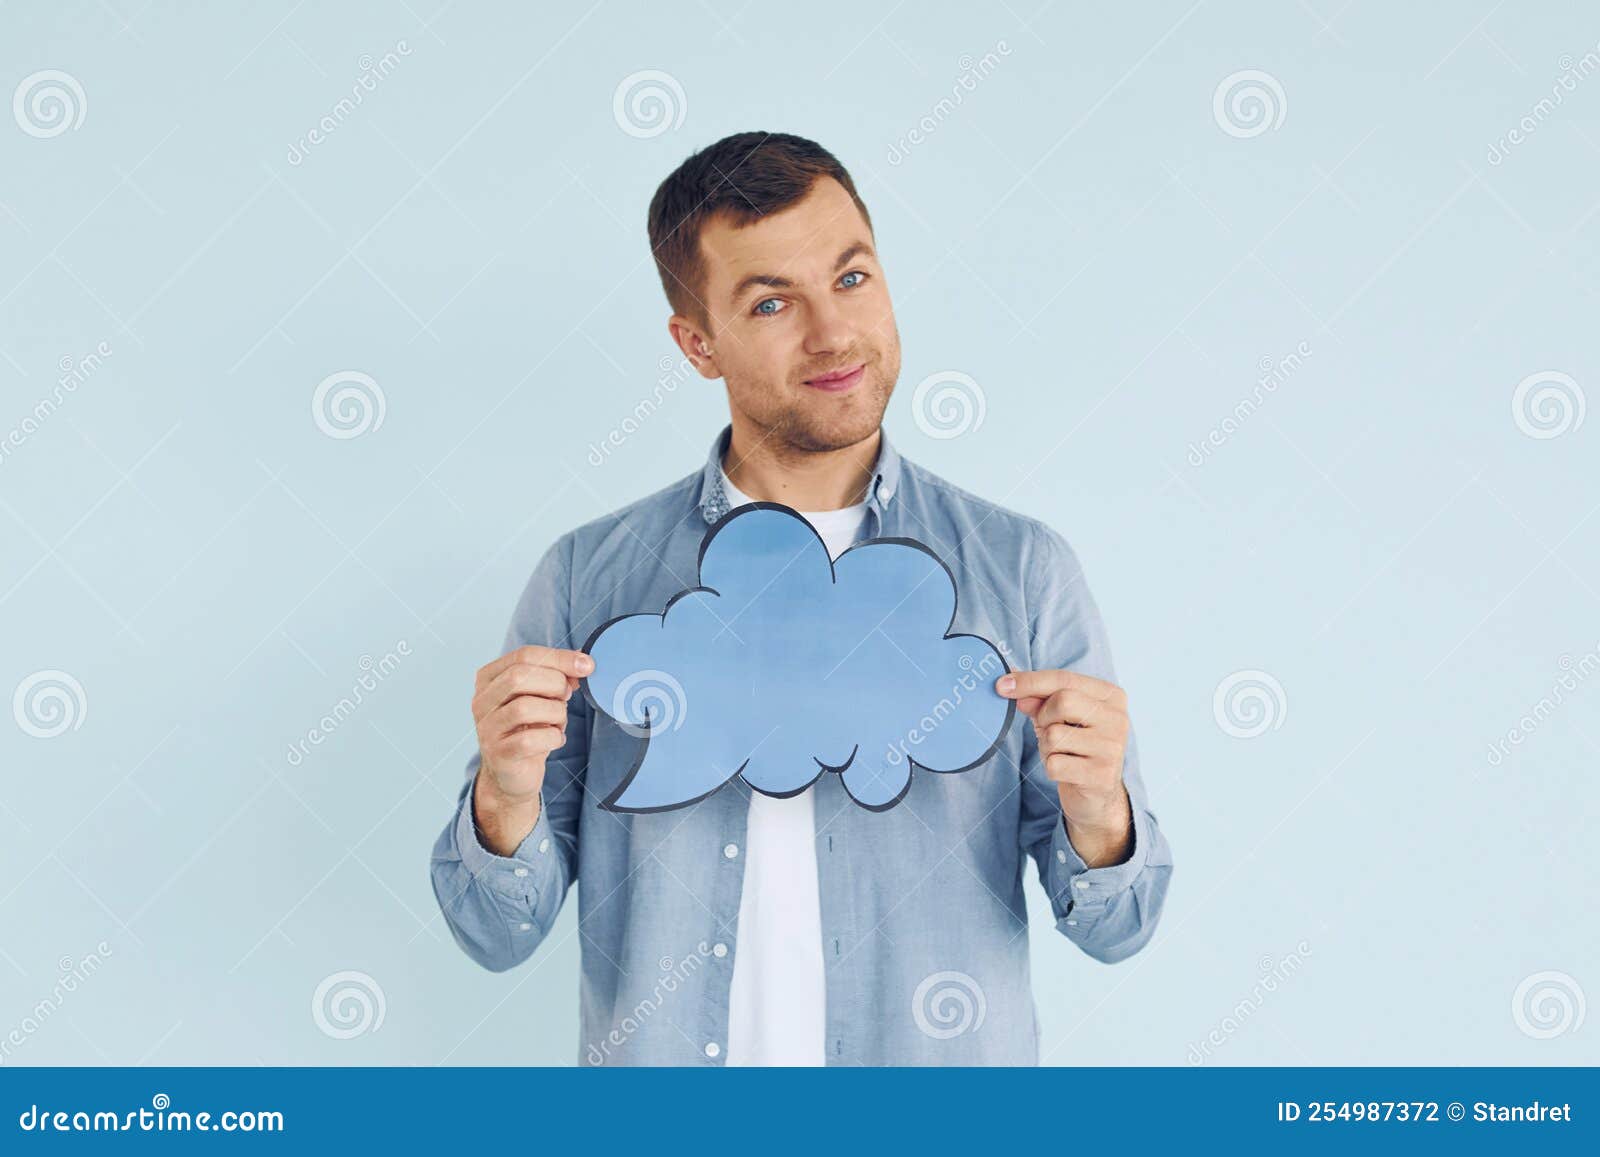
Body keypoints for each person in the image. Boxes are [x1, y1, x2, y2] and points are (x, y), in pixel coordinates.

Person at [429, 131, 1172, 1066]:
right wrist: (504, 792)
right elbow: (493, 932)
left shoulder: (1021, 571)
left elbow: (1120, 927)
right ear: (698, 344)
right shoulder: (590, 578)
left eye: (852, 279)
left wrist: (1100, 810)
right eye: (772, 301)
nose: (832, 335)